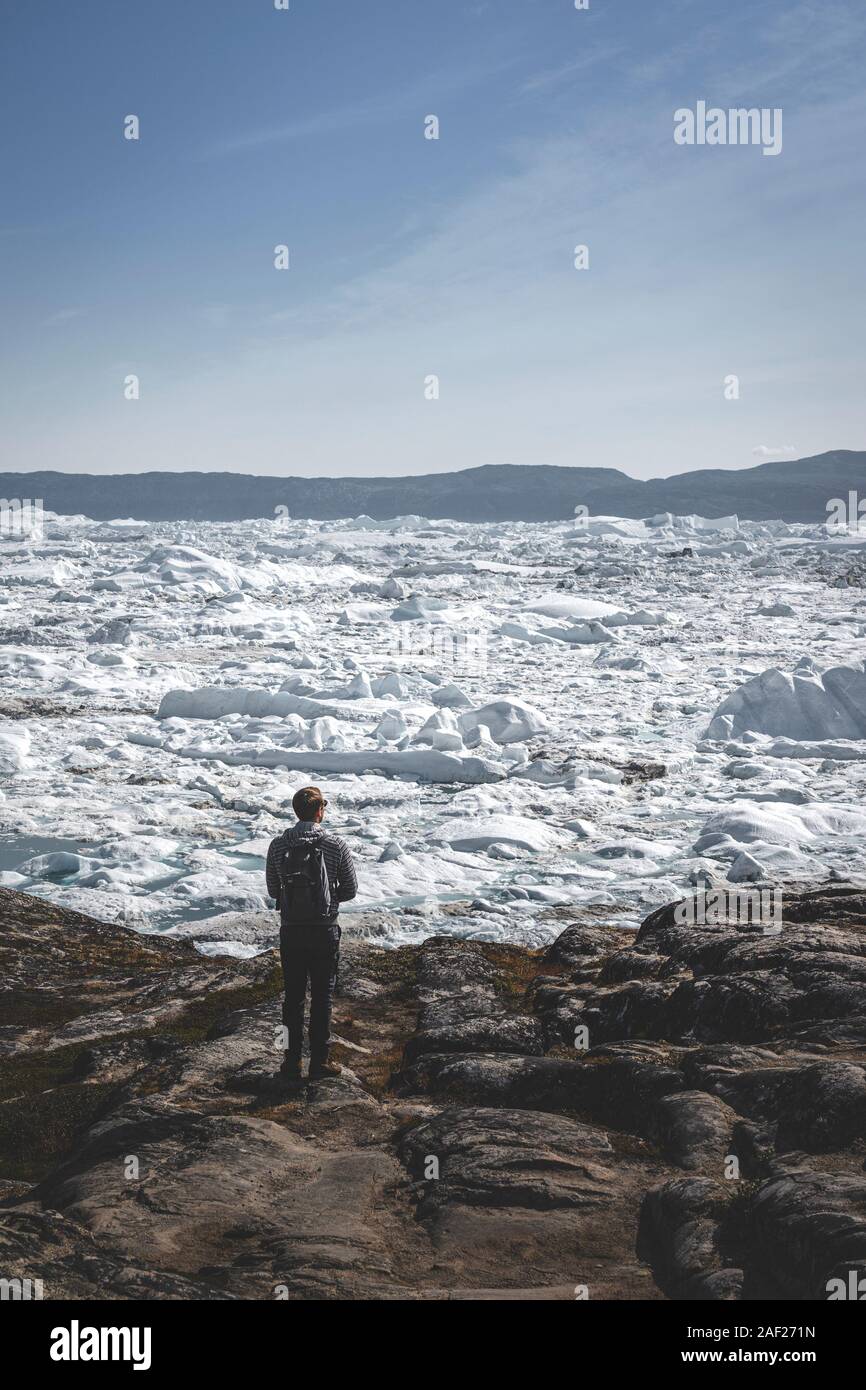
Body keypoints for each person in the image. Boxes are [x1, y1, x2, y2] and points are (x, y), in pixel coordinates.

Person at [266, 785, 358, 1084]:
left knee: (291, 998)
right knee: (322, 997)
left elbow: (272, 890)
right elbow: (350, 889)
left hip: (291, 930)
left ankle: (289, 1062)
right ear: (320, 811)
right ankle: (320, 1061)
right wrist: (326, 901)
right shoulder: (335, 845)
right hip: (324, 931)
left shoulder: (279, 846)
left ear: (296, 812)